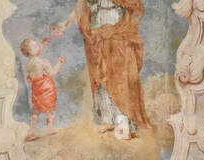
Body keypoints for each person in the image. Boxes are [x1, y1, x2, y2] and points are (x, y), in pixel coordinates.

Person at [51, 0, 149, 141]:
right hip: (96, 33)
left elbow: (136, 9)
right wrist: (65, 24)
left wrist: (125, 28)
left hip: (117, 30)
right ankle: (108, 119)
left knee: (119, 76)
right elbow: (81, 7)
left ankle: (122, 120)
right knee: (100, 75)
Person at [20, 36, 67, 138]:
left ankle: (31, 131)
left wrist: (42, 45)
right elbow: (52, 74)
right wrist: (59, 64)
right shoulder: (42, 62)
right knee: (50, 108)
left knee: (36, 109)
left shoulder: (28, 64)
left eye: (37, 45)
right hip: (46, 88)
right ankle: (50, 128)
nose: (37, 46)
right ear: (29, 51)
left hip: (36, 88)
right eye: (34, 46)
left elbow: (36, 53)